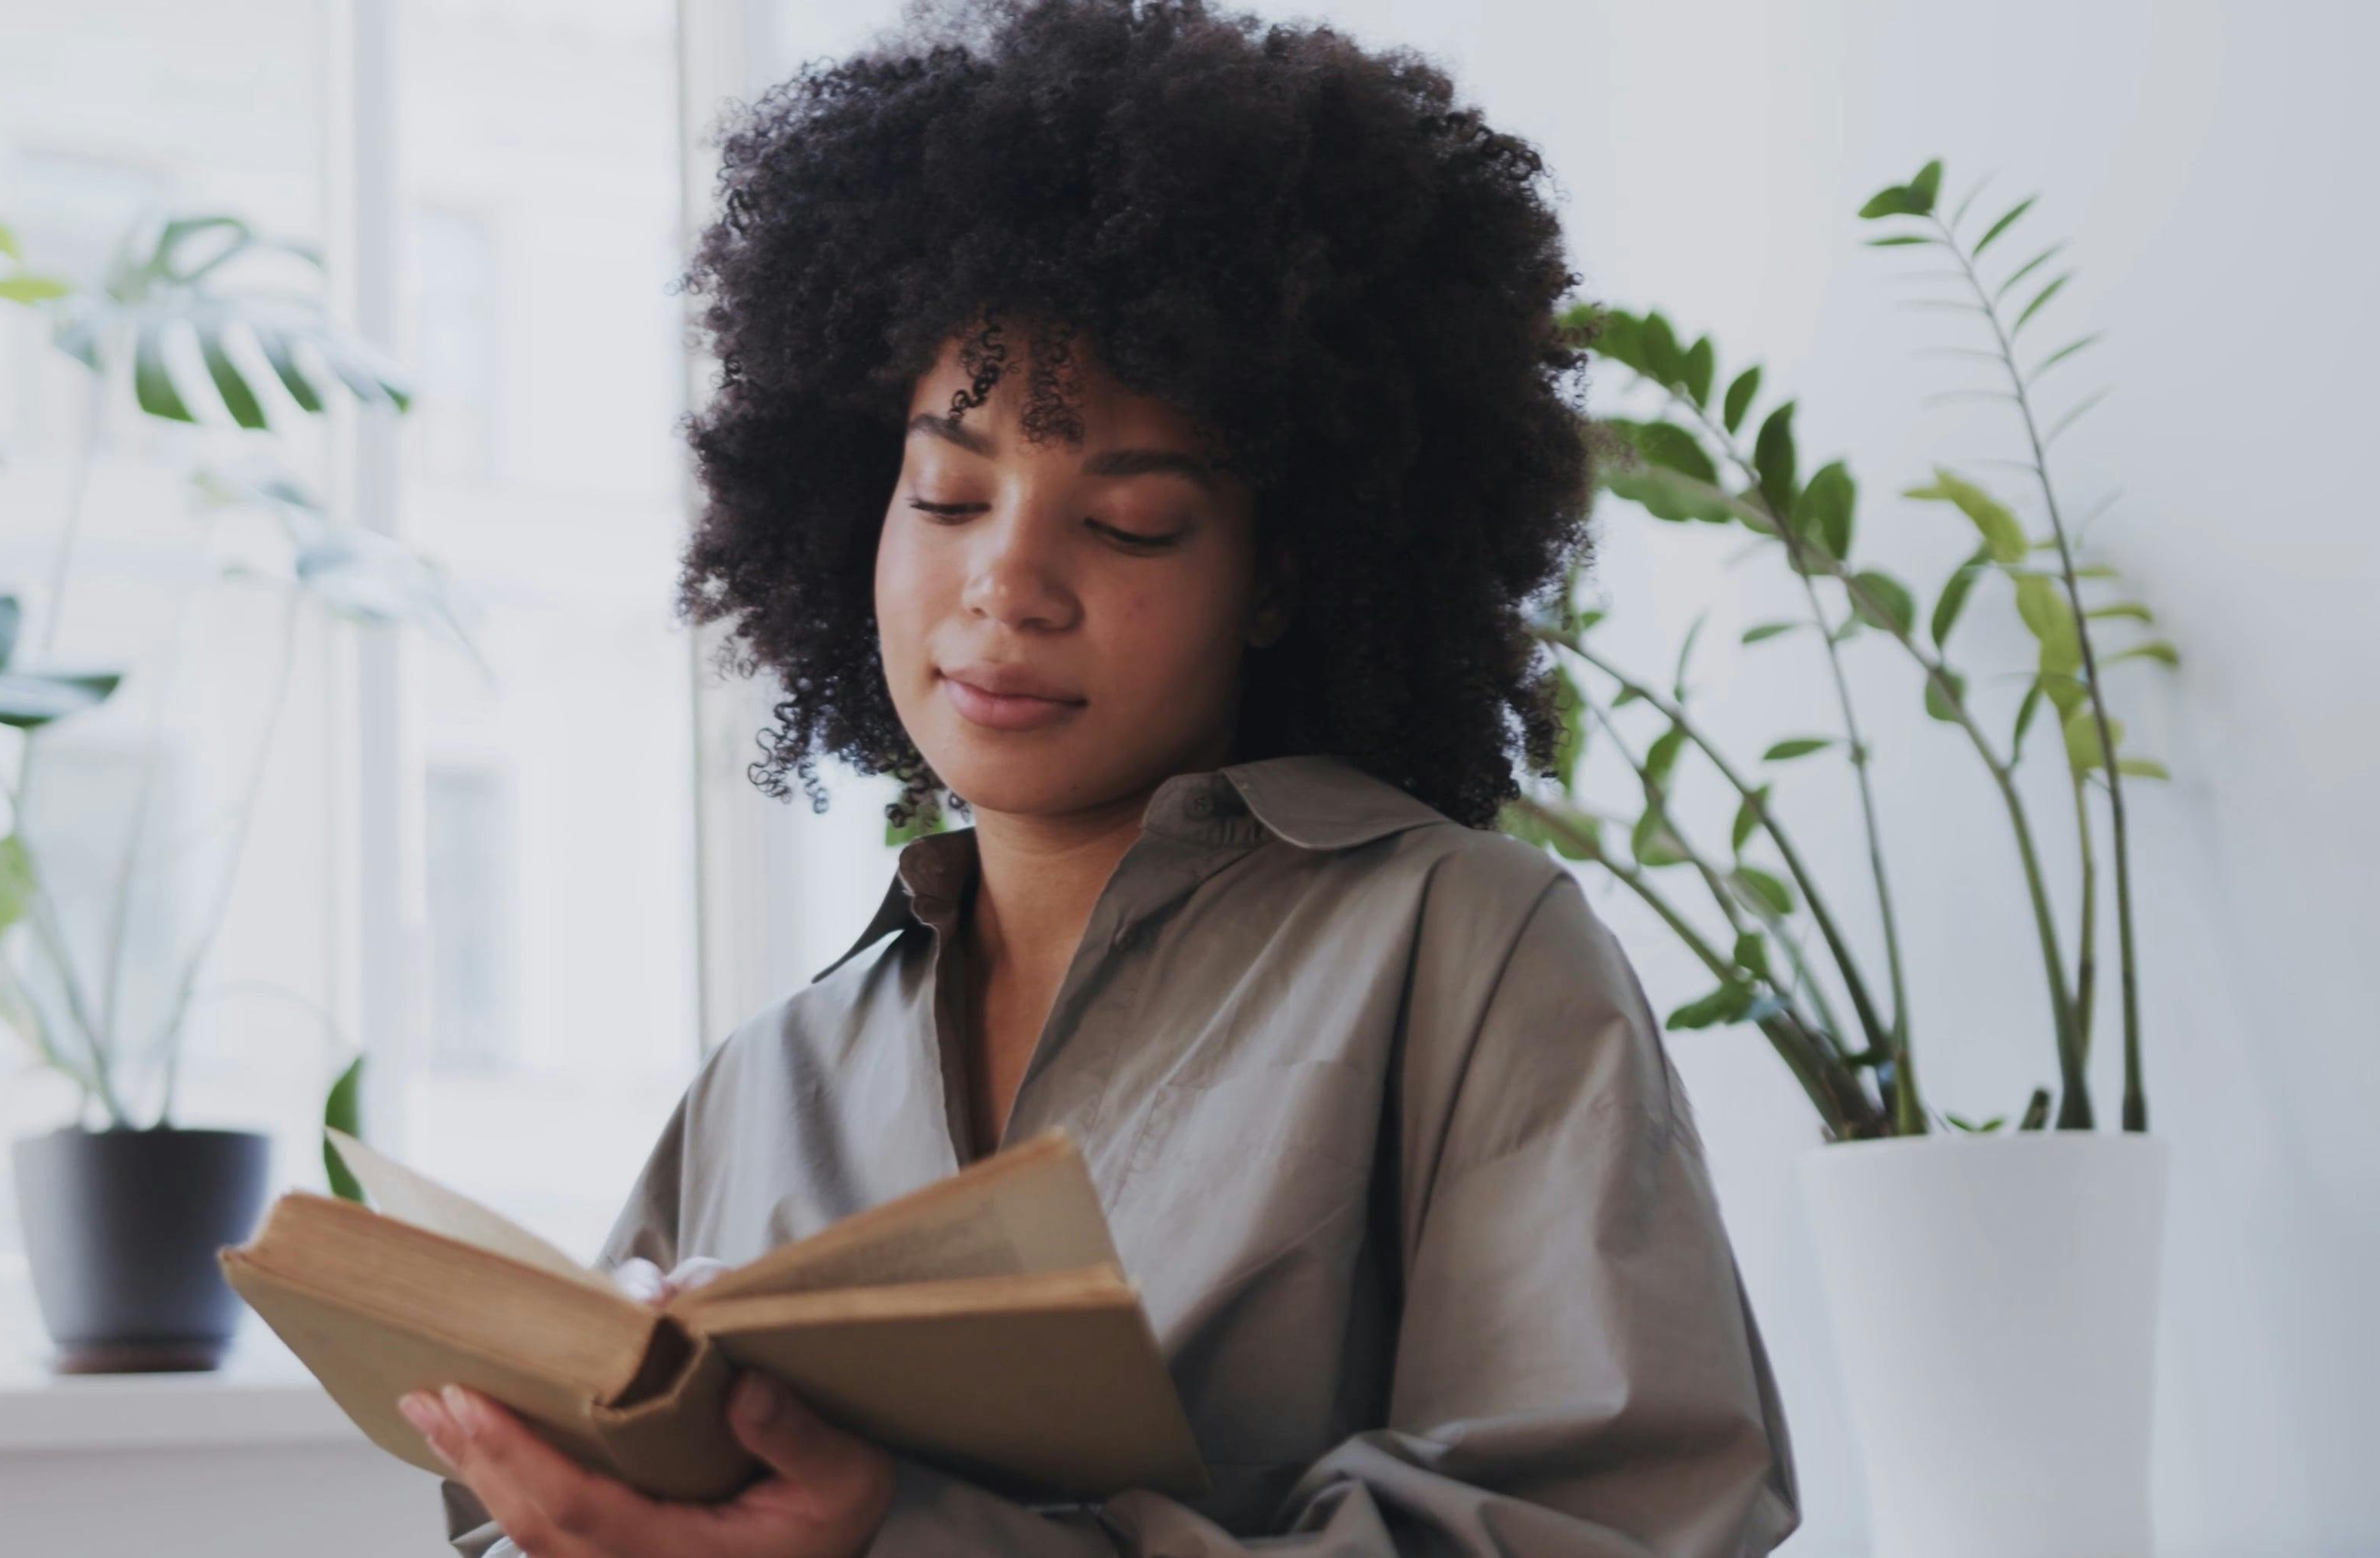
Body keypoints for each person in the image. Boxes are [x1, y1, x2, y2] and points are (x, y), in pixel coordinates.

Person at [393, 0, 1800, 1552]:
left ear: (1283, 572)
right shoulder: (768, 1079)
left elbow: (1617, 1522)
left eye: (1127, 520)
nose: (1007, 583)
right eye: (945, 493)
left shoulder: (1460, 946)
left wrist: (899, 1537)